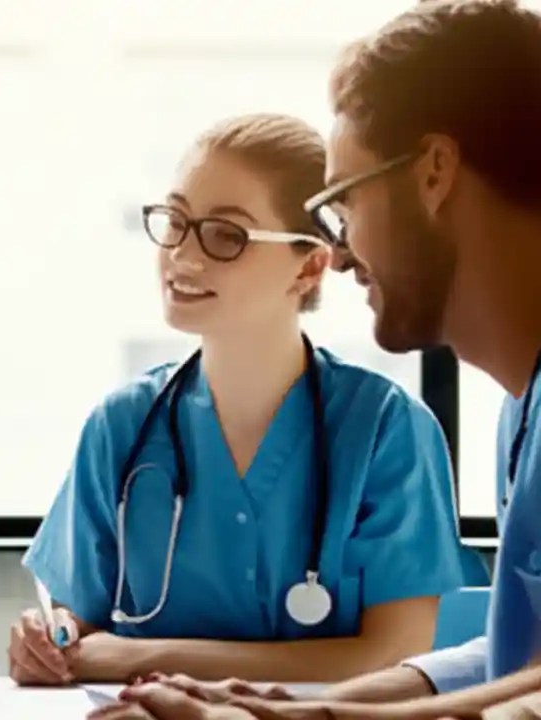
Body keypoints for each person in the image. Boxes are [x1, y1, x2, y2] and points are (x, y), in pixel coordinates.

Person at [87, 1, 541, 718]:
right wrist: (286, 709)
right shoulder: (524, 410)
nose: (342, 250)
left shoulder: (387, 422)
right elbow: (520, 663)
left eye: (344, 203)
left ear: (434, 173)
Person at [10, 113, 471, 687]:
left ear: (309, 266)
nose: (182, 256)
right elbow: (77, 630)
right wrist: (47, 641)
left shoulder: (385, 429)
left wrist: (143, 657)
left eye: (226, 235)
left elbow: (393, 655)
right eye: (176, 222)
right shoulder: (122, 426)